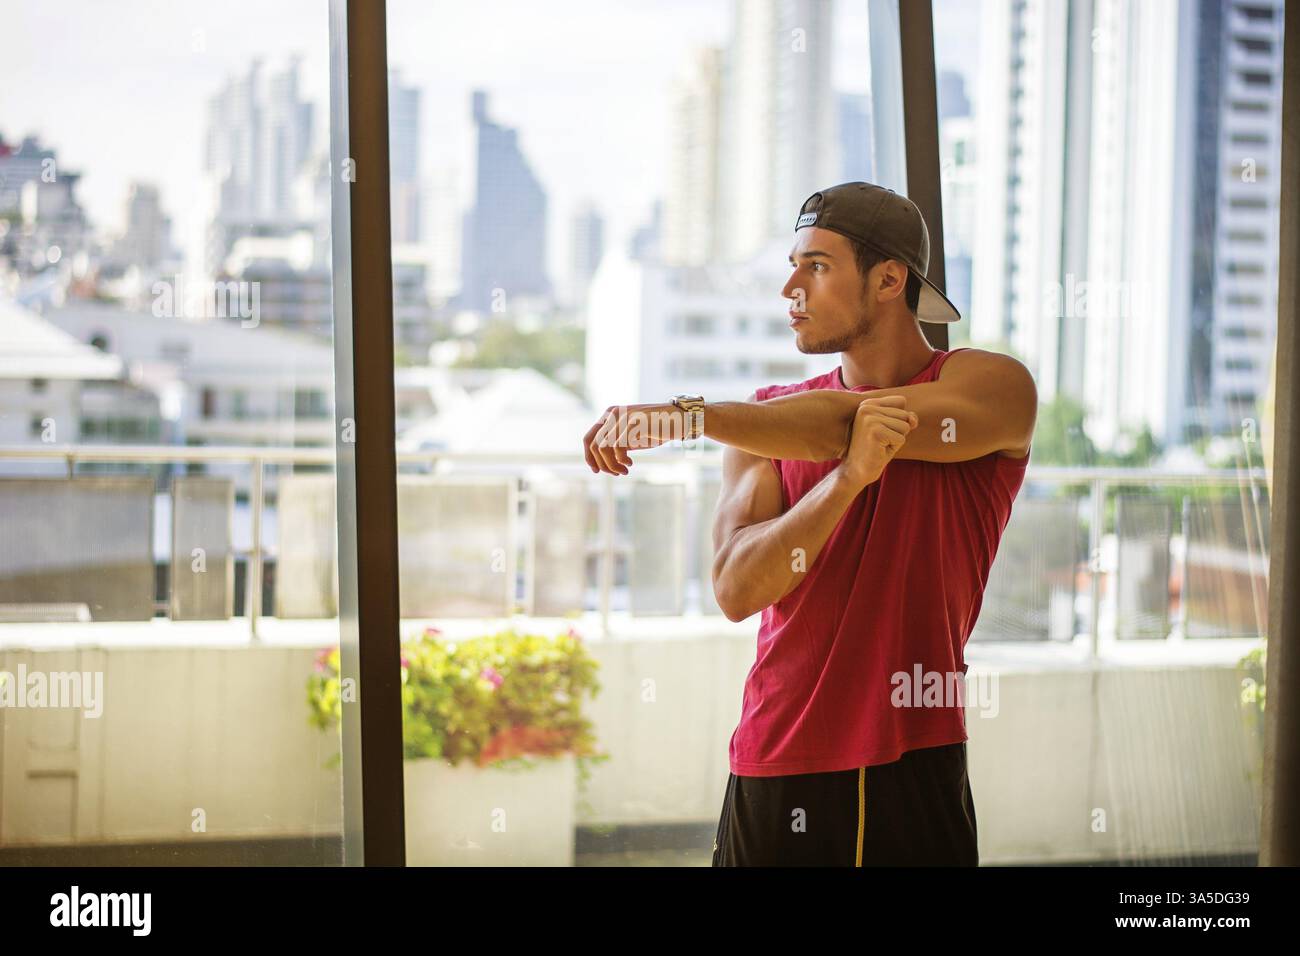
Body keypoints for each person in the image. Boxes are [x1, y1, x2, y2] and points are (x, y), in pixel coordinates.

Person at [582, 182, 1038, 866]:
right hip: (774, 758)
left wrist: (685, 416)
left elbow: (843, 421)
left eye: (817, 266)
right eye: (792, 266)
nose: (790, 288)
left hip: (913, 759)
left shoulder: (993, 388)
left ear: (888, 279)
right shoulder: (764, 423)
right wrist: (847, 481)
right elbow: (736, 591)